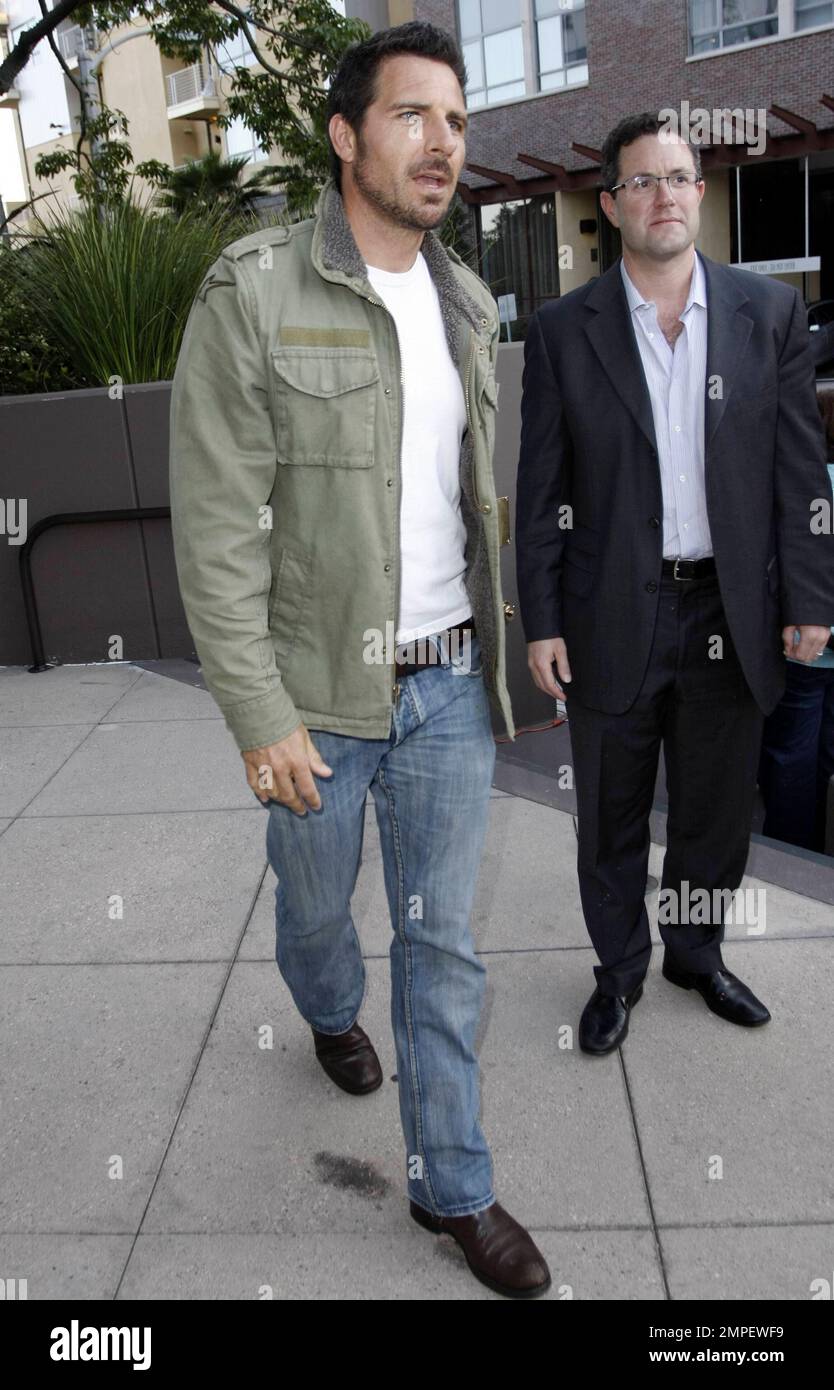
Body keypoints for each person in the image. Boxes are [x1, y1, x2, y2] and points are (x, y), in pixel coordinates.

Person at [169, 21, 549, 1298]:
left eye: (456, 120)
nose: (443, 142)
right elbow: (218, 527)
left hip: (444, 687)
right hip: (316, 700)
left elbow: (468, 504)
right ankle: (328, 1008)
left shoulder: (468, 299)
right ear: (345, 135)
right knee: (320, 915)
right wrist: (256, 712)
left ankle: (456, 1188)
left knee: (442, 950)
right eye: (411, 117)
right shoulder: (253, 290)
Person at [516, 111, 834, 1056]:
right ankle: (618, 974)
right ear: (611, 204)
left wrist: (813, 602)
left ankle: (695, 954)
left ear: (702, 191)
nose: (665, 195)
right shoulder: (563, 331)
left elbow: (798, 473)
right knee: (609, 815)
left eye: (681, 177)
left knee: (713, 811)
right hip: (611, 612)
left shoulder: (766, 314)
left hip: (731, 613)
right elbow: (542, 491)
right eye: (643, 180)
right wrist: (540, 618)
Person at [758, 390, 834, 852]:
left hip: (804, 649)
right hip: (814, 647)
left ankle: (790, 858)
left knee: (792, 758)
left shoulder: (806, 484)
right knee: (818, 756)